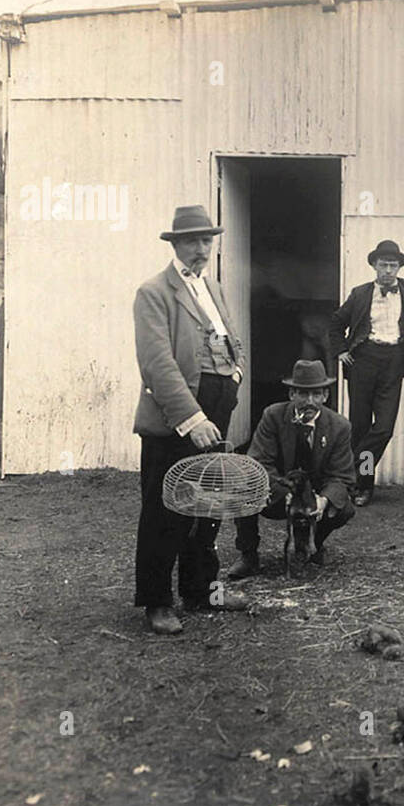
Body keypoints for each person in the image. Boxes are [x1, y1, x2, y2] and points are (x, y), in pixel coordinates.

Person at [132, 205, 248, 635]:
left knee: (208, 506)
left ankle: (203, 590)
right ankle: (158, 602)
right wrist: (191, 417)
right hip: (176, 419)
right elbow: (157, 364)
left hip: (217, 410)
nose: (201, 248)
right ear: (175, 244)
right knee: (167, 507)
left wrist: (236, 373)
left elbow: (230, 339)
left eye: (207, 240)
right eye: (193, 241)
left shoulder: (212, 288)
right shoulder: (154, 292)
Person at [226, 360, 356, 576]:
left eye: (316, 395)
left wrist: (323, 500)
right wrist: (283, 492)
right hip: (278, 494)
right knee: (243, 491)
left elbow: (343, 477)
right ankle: (248, 556)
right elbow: (258, 463)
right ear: (292, 395)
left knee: (344, 508)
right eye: (303, 394)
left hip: (315, 498)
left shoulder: (340, 426)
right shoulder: (272, 416)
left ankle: (310, 545)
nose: (310, 401)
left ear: (325, 396)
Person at [330, 239, 404, 507]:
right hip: (363, 361)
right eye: (383, 265)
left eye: (393, 266)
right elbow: (336, 323)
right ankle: (364, 486)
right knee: (359, 427)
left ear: (399, 268)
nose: (388, 271)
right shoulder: (360, 293)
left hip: (394, 362)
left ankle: (347, 469)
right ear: (374, 266)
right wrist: (340, 351)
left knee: (383, 428)